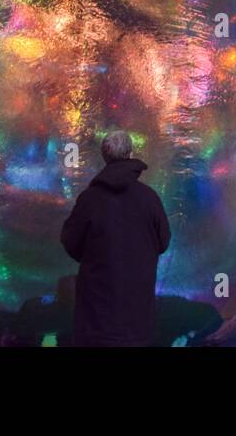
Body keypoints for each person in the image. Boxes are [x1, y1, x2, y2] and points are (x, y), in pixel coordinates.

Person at [61, 131, 171, 346]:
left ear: (105, 156)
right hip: (138, 314)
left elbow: (70, 241)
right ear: (130, 153)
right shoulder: (149, 198)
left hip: (96, 316)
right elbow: (163, 241)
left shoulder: (89, 199)